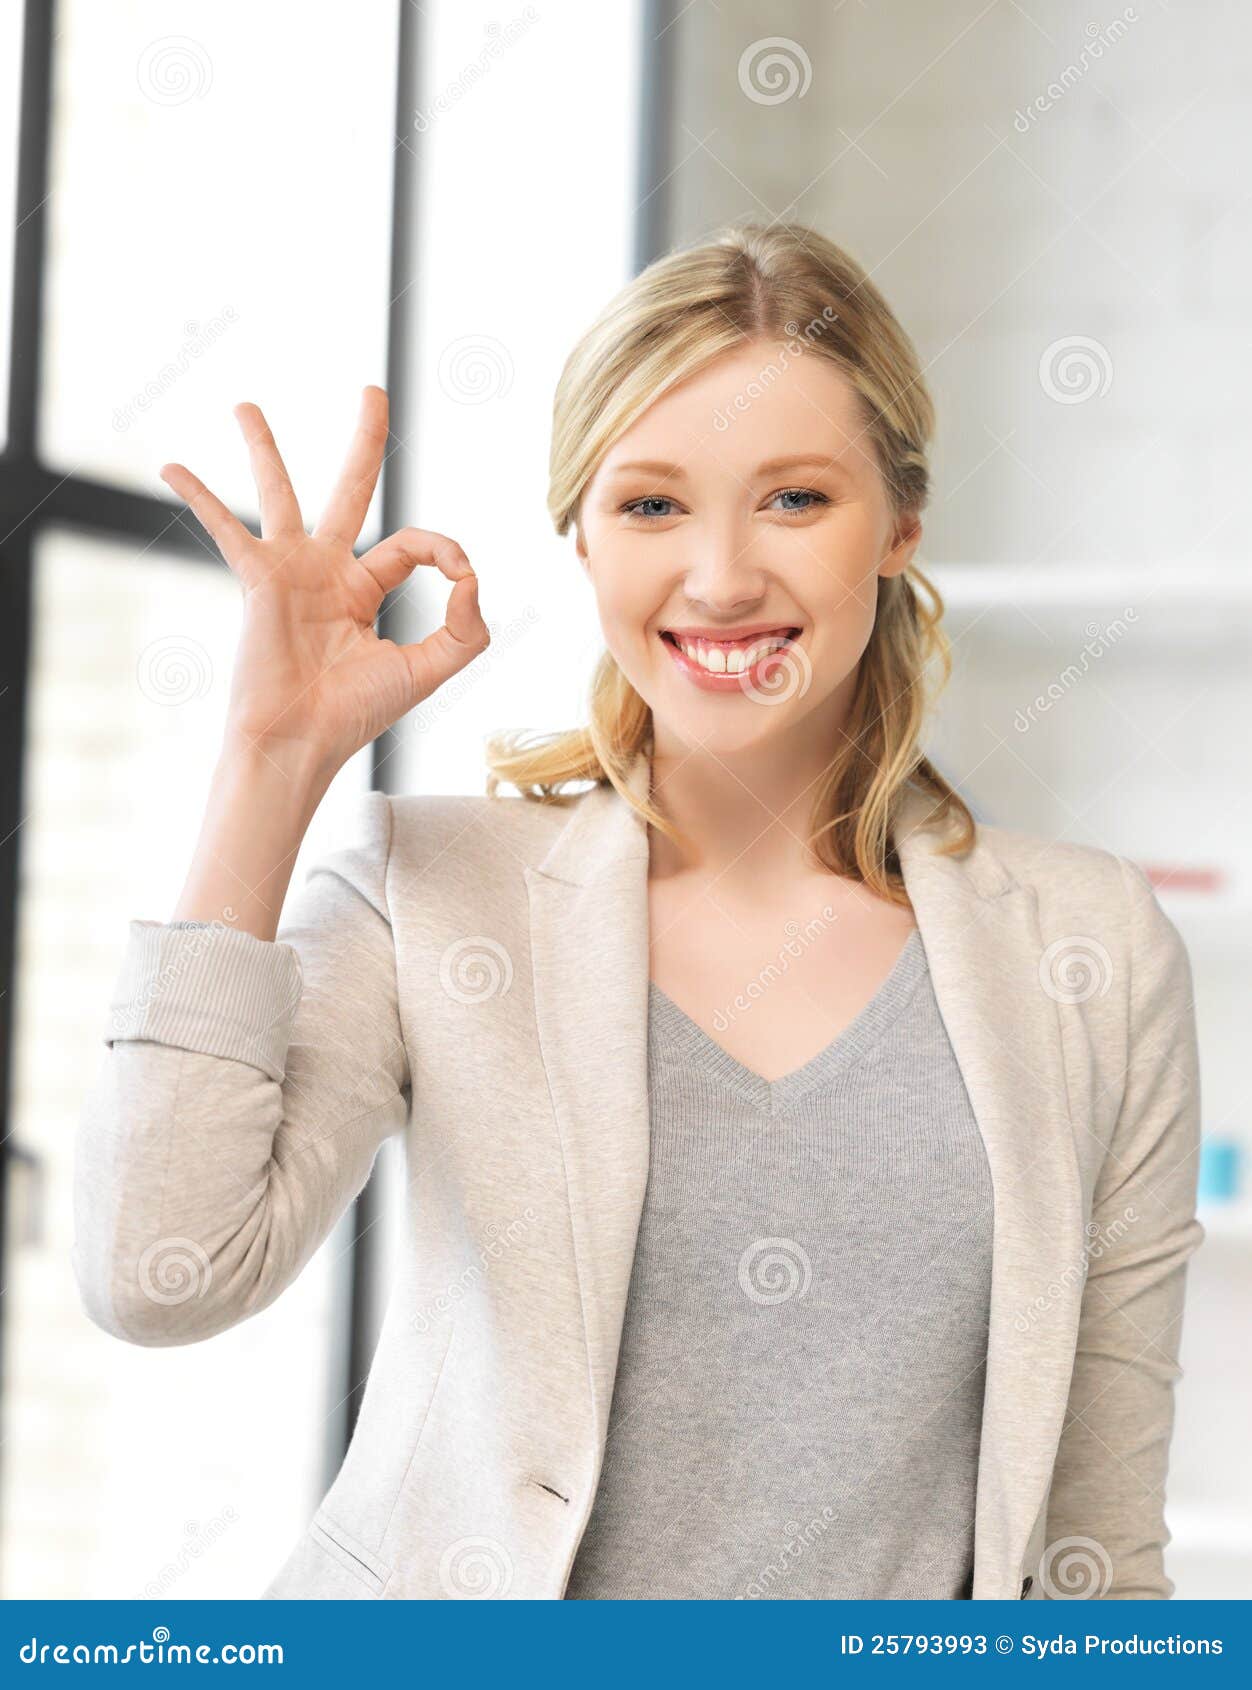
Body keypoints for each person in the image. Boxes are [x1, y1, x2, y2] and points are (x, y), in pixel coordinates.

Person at [73, 222, 1203, 1601]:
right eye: (653, 505)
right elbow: (160, 1273)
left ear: (901, 521)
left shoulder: (1089, 952)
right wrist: (270, 761)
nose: (721, 578)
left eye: (795, 499)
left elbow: (1099, 1539)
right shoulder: (430, 896)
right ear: (584, 536)